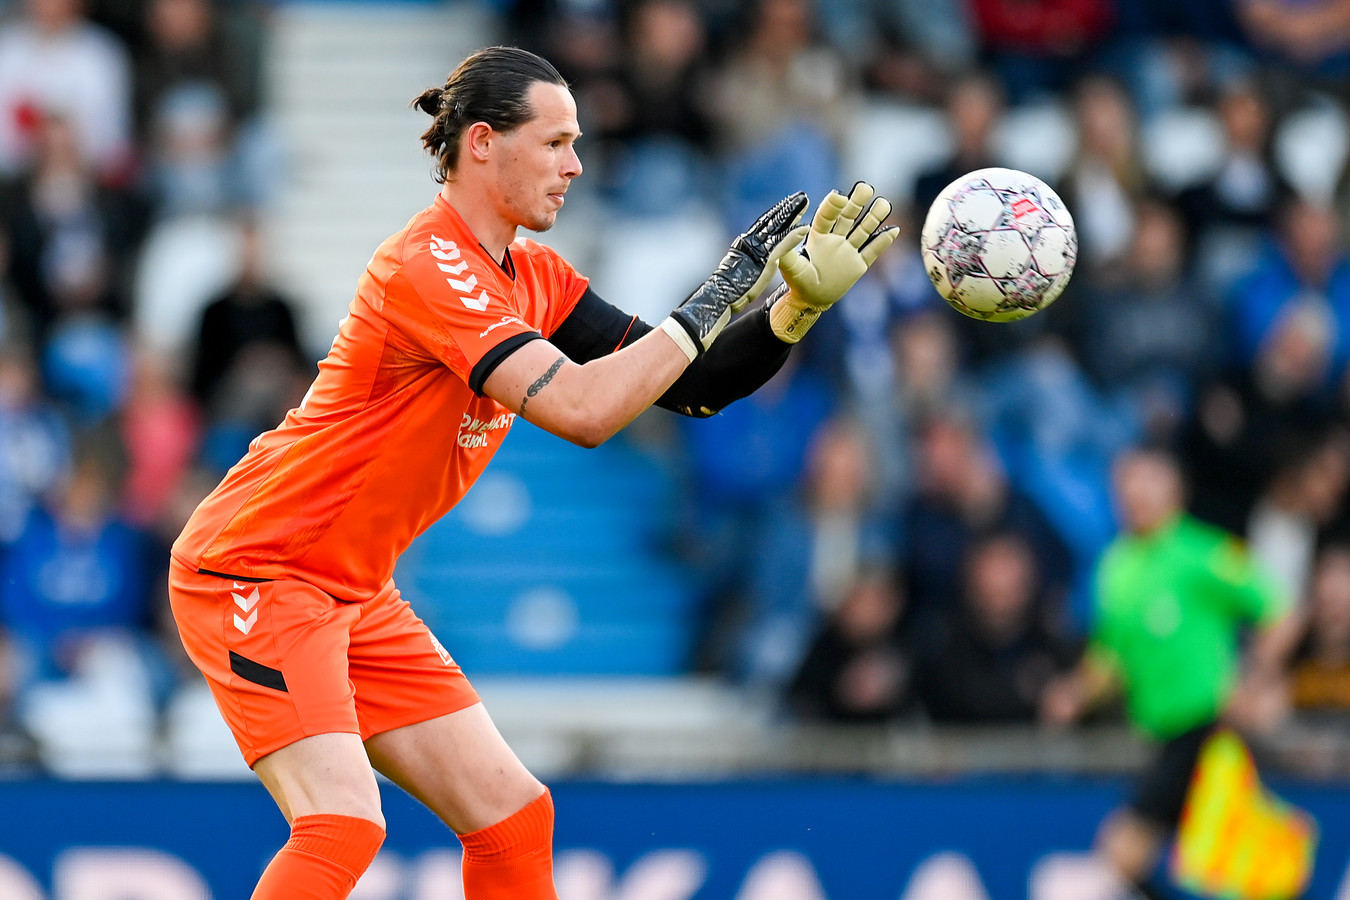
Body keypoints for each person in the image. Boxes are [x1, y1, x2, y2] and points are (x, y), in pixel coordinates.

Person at [164, 46, 897, 900]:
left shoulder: (537, 278)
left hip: (350, 588)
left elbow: (691, 388)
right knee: (343, 822)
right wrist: (707, 302)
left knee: (514, 817)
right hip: (259, 570)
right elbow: (584, 412)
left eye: (575, 143)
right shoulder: (429, 263)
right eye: (554, 143)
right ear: (483, 144)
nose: (575, 165)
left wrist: (790, 311)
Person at [1043, 447, 1301, 900]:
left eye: (1146, 482)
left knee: (1126, 853)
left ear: (1174, 489)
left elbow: (1280, 612)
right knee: (1207, 865)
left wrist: (1253, 677)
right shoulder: (1117, 567)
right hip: (1160, 734)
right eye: (1125, 485)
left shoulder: (1202, 552)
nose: (1134, 495)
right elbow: (1111, 657)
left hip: (1208, 728)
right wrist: (1075, 693)